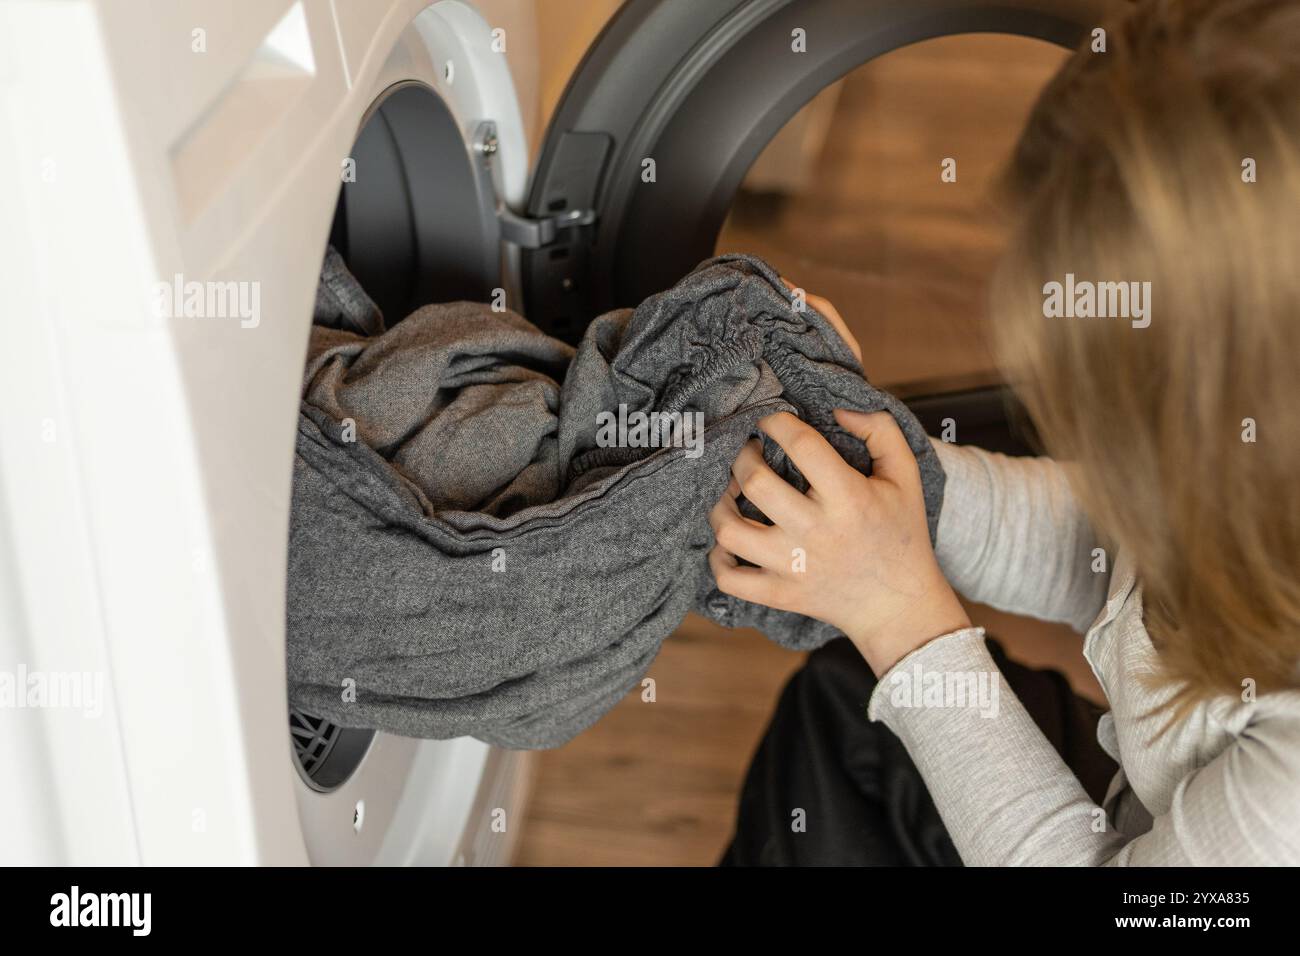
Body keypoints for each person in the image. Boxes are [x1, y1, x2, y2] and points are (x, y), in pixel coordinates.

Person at [711, 0, 1300, 865]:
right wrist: (899, 483)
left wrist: (898, 616)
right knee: (845, 711)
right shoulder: (1254, 488)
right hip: (1159, 807)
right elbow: (1098, 543)